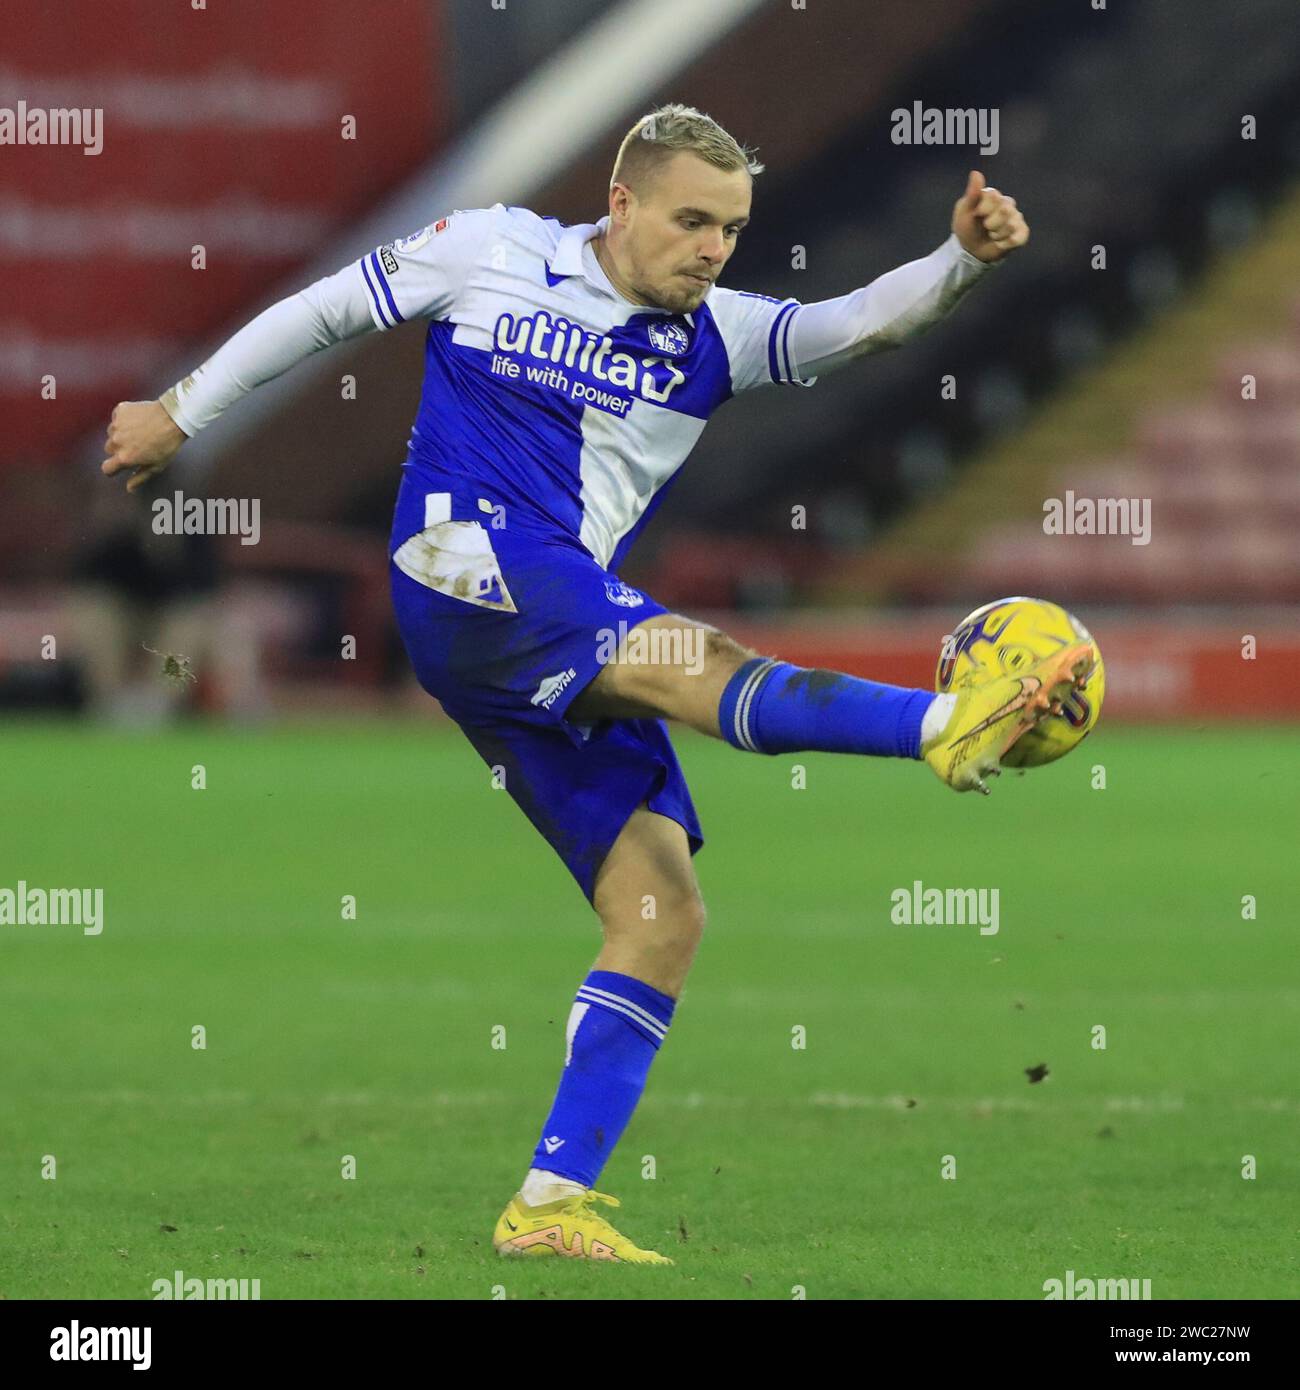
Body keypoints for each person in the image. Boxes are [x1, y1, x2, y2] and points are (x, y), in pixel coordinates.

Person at [102, 103, 1086, 1264]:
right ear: (620, 206)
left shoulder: (719, 334)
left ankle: (547, 1204)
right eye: (690, 221)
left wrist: (960, 259)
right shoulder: (491, 247)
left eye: (730, 227)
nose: (713, 248)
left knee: (660, 909)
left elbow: (860, 323)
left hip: (539, 635)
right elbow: (322, 313)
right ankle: (939, 724)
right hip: (463, 568)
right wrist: (181, 409)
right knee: (698, 661)